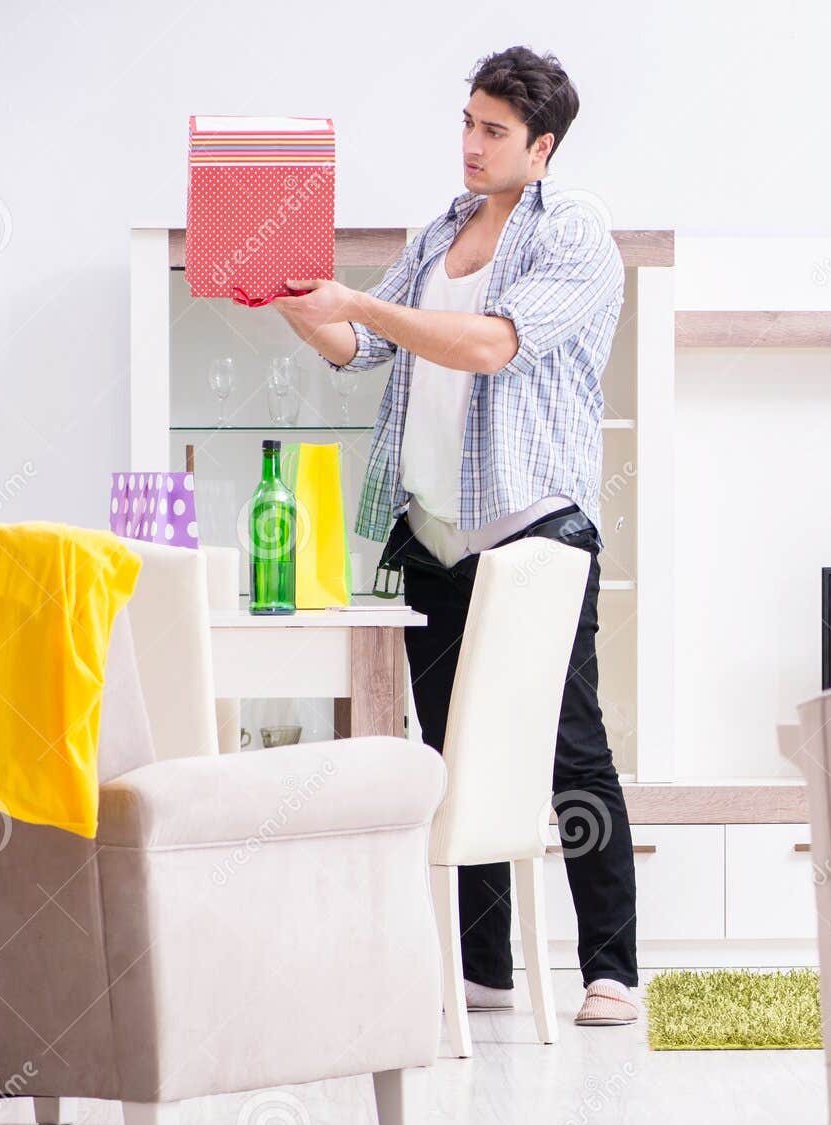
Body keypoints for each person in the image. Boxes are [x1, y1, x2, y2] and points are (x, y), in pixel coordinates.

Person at [272, 45, 639, 1027]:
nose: (472, 145)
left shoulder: (576, 237)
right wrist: (302, 306)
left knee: (568, 747)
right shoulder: (438, 233)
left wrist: (357, 300)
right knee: (451, 749)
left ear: (542, 146)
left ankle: (613, 968)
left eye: (494, 131)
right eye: (467, 122)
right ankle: (485, 970)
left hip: (533, 530)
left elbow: (490, 345)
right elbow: (364, 348)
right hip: (429, 528)